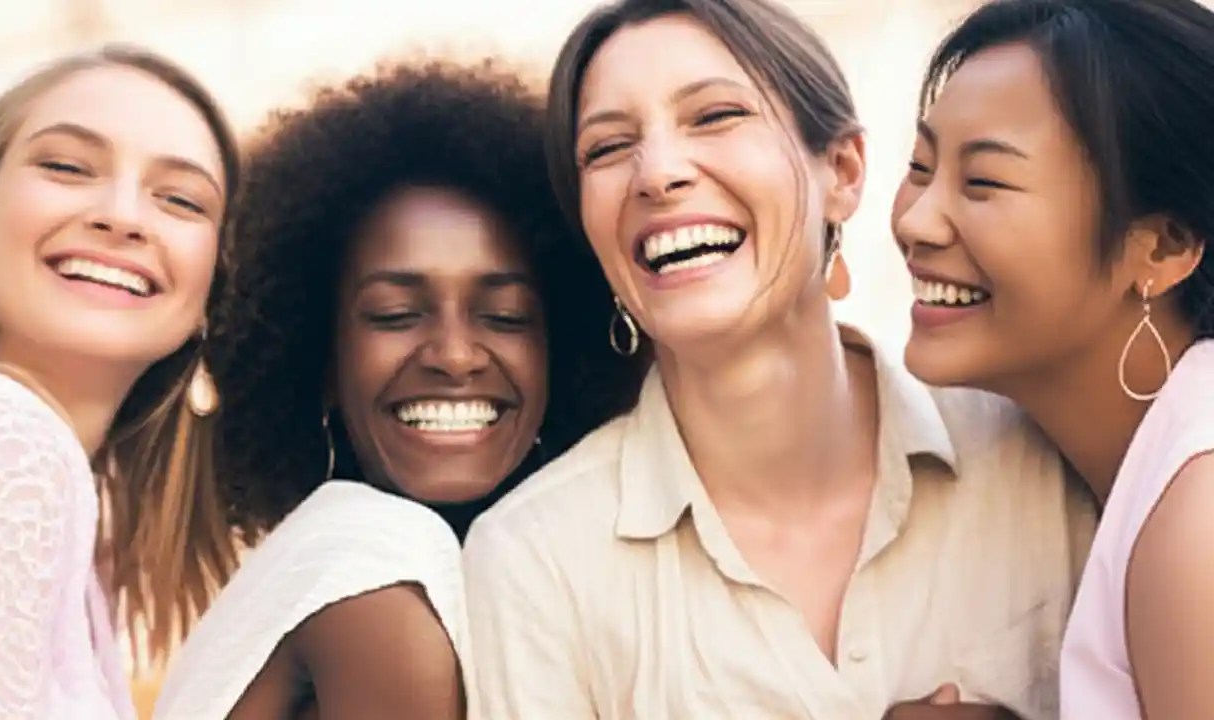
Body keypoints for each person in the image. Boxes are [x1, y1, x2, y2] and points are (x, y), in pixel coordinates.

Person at [461, 1, 1097, 718]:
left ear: (844, 171)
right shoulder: (532, 561)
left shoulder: (1041, 452)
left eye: (714, 116)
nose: (657, 173)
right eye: (608, 149)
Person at [152, 60, 643, 719]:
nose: (454, 355)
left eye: (504, 317)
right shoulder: (377, 563)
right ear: (321, 361)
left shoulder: (336, 555)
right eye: (394, 315)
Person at [890, 1, 1214, 717]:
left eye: (984, 183)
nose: (913, 220)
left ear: (1160, 246)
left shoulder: (1199, 523)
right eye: (919, 167)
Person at [0, 45, 240, 718]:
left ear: (214, 283)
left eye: (181, 199)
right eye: (68, 167)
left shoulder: (46, 473)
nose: (123, 216)